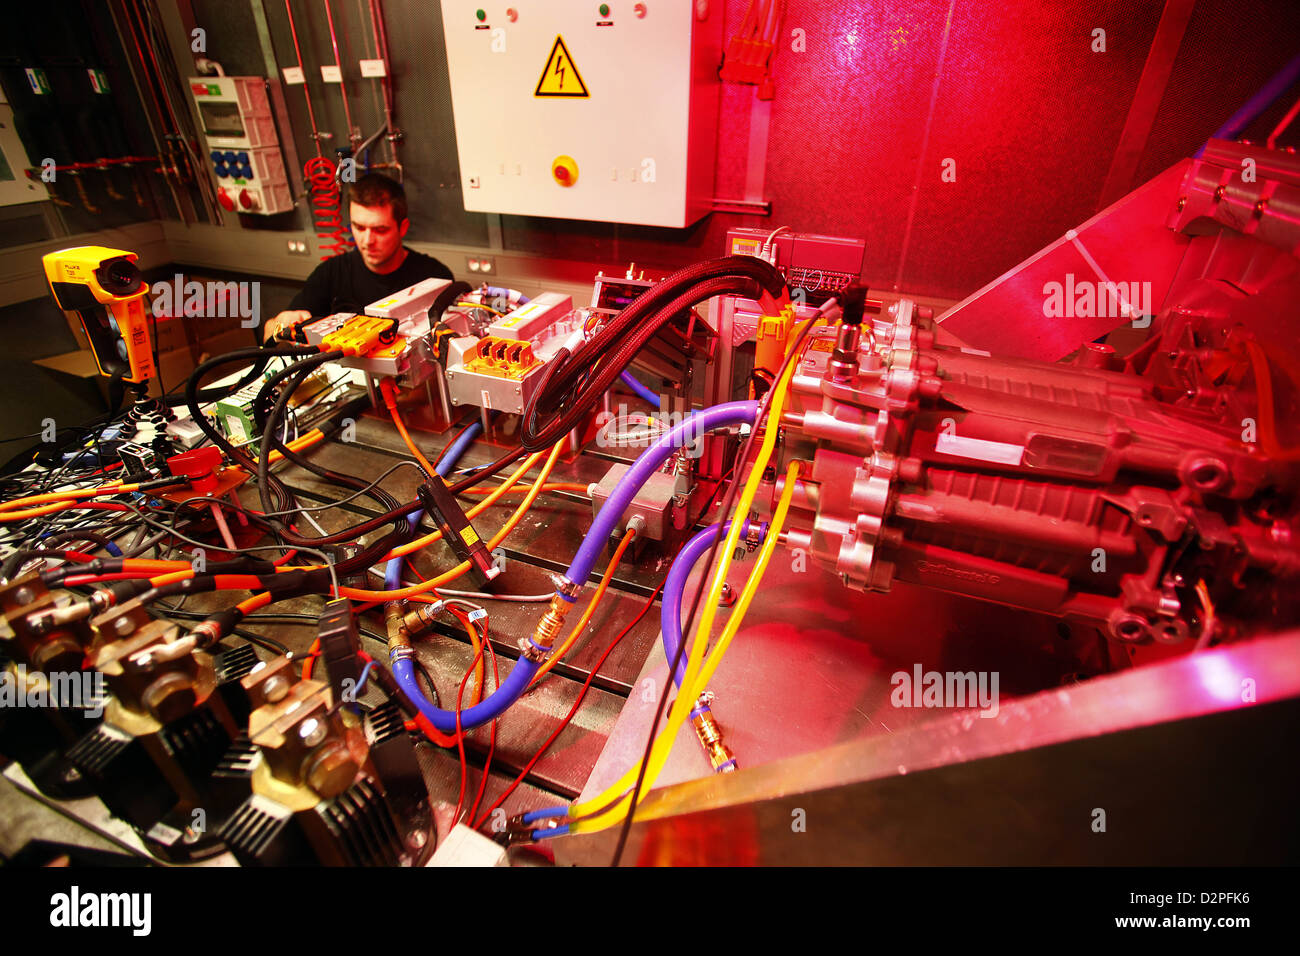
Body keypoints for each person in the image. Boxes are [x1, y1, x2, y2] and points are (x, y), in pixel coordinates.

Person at [262, 173, 455, 341]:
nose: (367, 240)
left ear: (402, 228)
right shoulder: (332, 273)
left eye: (380, 230)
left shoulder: (434, 277)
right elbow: (269, 332)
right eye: (359, 227)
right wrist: (281, 324)